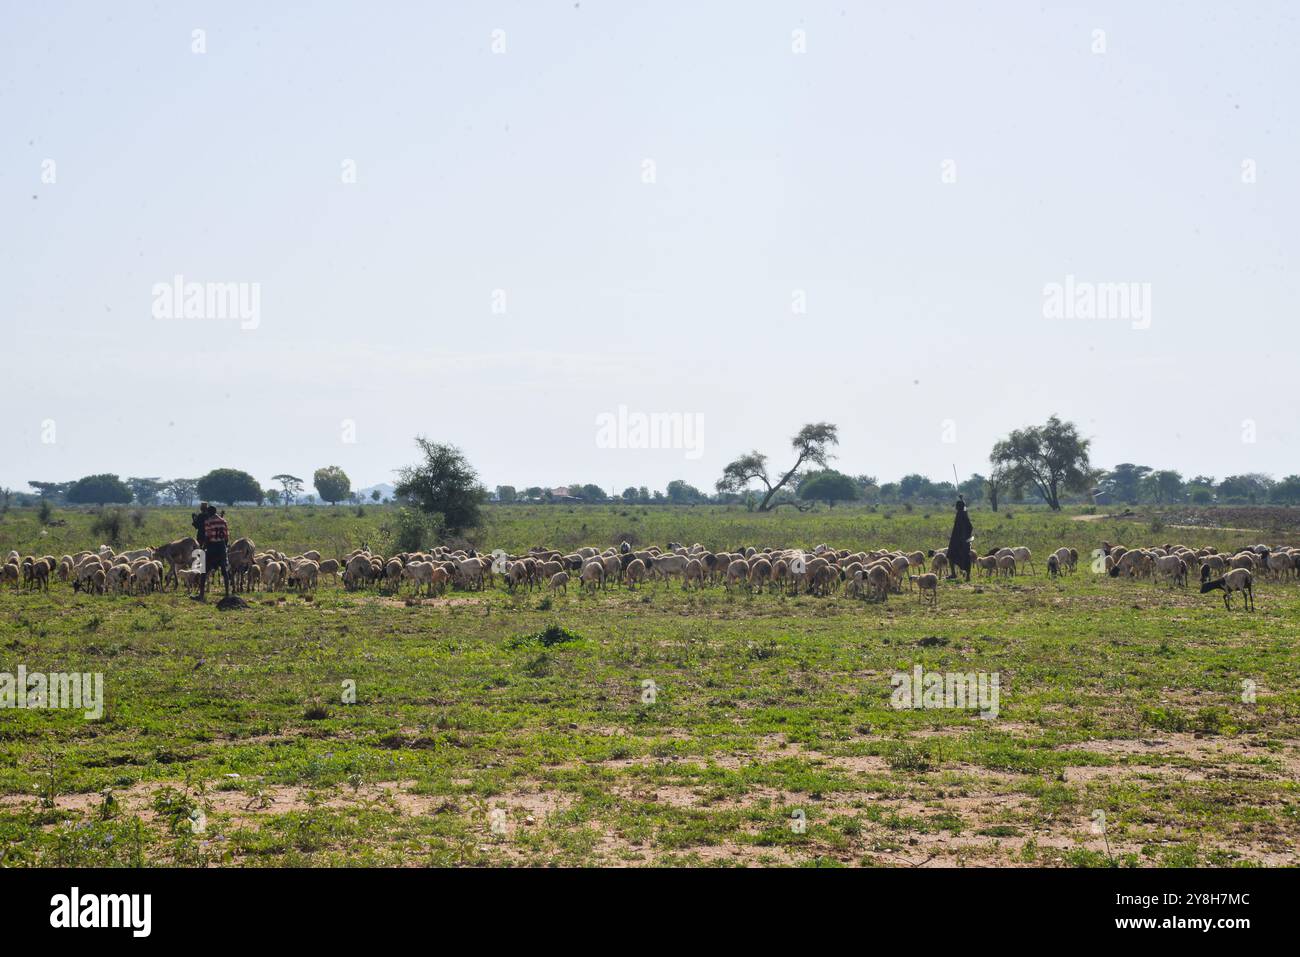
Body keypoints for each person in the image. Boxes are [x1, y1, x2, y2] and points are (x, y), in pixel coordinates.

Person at [197, 505, 230, 600]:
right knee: (224, 571)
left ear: (209, 512)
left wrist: (204, 547)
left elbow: (207, 536)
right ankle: (227, 594)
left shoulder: (208, 521)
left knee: (204, 571)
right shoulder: (223, 521)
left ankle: (201, 595)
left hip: (212, 546)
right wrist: (224, 547)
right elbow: (226, 537)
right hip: (221, 546)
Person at [946, 496, 973, 581]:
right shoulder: (965, 513)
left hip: (958, 540)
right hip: (965, 540)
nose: (955, 507)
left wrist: (963, 538)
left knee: (950, 555)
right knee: (966, 557)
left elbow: (963, 528)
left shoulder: (960, 515)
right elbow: (970, 526)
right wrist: (962, 499)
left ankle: (954, 574)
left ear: (958, 507)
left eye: (956, 506)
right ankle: (968, 576)